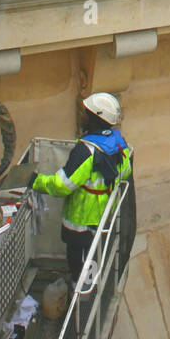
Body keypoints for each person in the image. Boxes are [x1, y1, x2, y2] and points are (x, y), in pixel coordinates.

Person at [28, 92, 133, 283]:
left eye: (86, 113)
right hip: (103, 215)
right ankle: (86, 288)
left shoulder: (86, 151)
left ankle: (81, 296)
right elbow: (125, 171)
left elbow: (62, 185)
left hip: (81, 218)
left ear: (95, 118)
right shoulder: (118, 143)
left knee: (79, 264)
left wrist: (35, 181)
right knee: (93, 259)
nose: (82, 116)